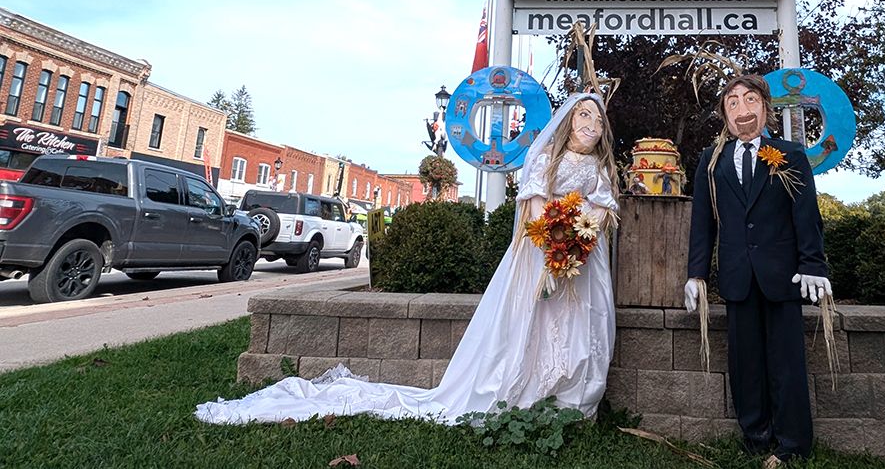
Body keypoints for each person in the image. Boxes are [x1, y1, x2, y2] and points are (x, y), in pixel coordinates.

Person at [196, 92, 619, 424]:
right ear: (567, 122)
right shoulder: (546, 160)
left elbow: (600, 211)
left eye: (598, 120)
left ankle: (571, 401)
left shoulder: (598, 171)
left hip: (579, 263)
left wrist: (578, 242)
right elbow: (534, 207)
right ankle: (525, 395)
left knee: (580, 328)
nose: (592, 125)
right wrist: (551, 248)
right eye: (584, 116)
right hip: (539, 254)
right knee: (535, 324)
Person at [684, 74, 830, 467]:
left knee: (787, 362)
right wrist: (696, 272)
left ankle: (793, 442)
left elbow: (805, 214)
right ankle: (755, 434)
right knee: (745, 362)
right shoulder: (711, 161)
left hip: (782, 276)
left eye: (749, 100)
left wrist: (813, 264)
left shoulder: (790, 155)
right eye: (732, 103)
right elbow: (703, 221)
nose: (741, 109)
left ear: (765, 108)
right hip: (737, 276)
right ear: (724, 115)